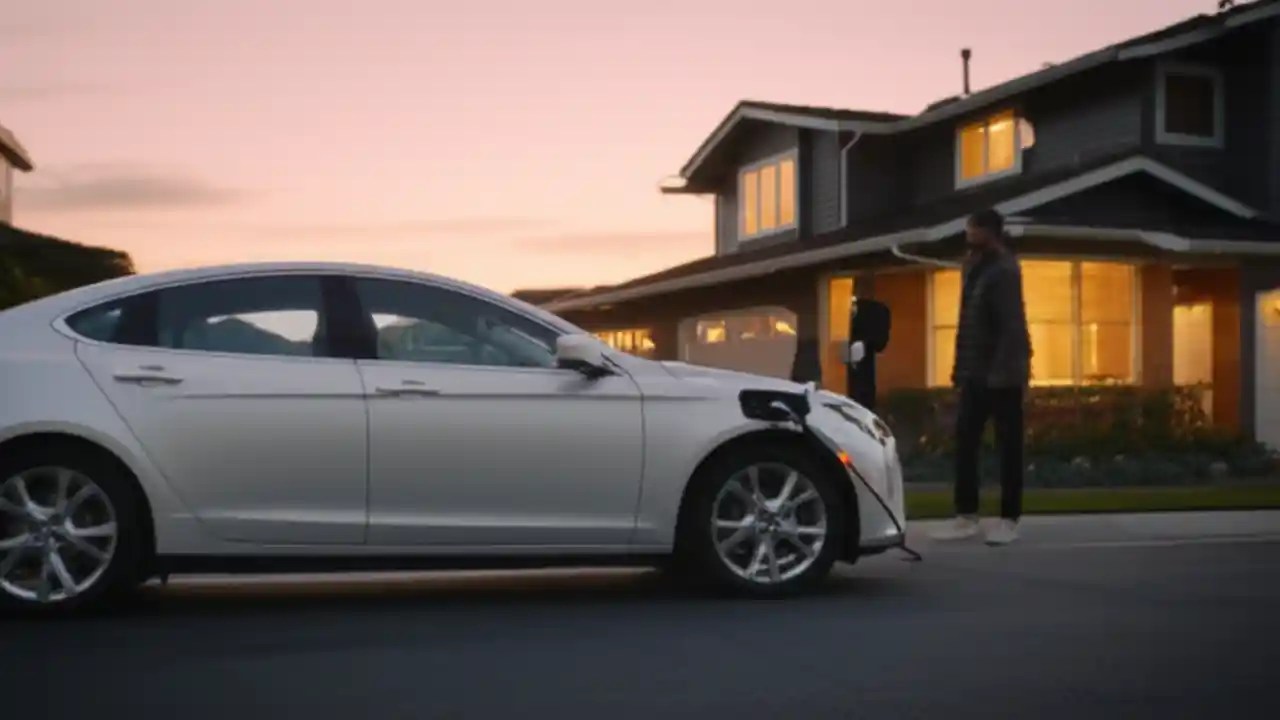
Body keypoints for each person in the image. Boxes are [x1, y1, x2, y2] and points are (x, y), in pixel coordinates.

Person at [931, 208, 1031, 546]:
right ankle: (966, 516)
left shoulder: (1004, 270)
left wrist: (1004, 374)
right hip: (976, 373)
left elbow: (1012, 327)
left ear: (990, 232)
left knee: (1008, 448)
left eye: (974, 230)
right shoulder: (974, 269)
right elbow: (967, 328)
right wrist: (960, 373)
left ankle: (1009, 519)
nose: (968, 235)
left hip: (1003, 374)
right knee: (965, 443)